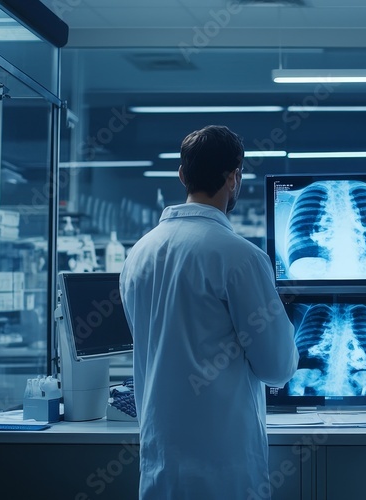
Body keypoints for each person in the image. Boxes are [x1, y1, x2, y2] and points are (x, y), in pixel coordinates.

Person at [120, 125, 298, 499]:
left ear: (182, 175)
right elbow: (277, 367)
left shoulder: (138, 255)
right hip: (224, 470)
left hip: (160, 465)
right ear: (234, 178)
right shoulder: (241, 257)